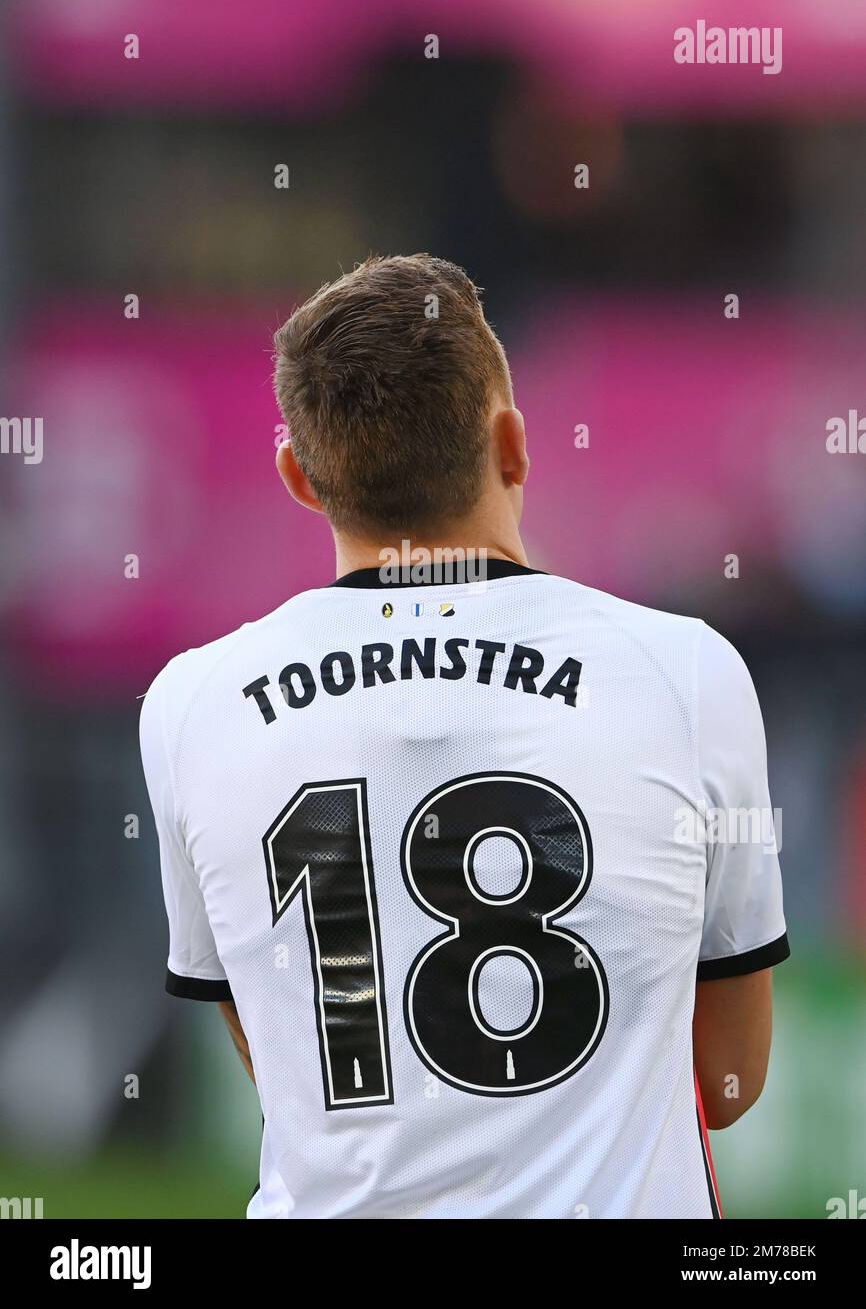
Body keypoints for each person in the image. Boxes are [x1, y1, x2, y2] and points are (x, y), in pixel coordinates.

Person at [140, 254, 788, 1219]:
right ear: (515, 446)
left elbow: (283, 1058)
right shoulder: (685, 674)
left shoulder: (191, 704)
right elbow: (729, 1080)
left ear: (298, 478)